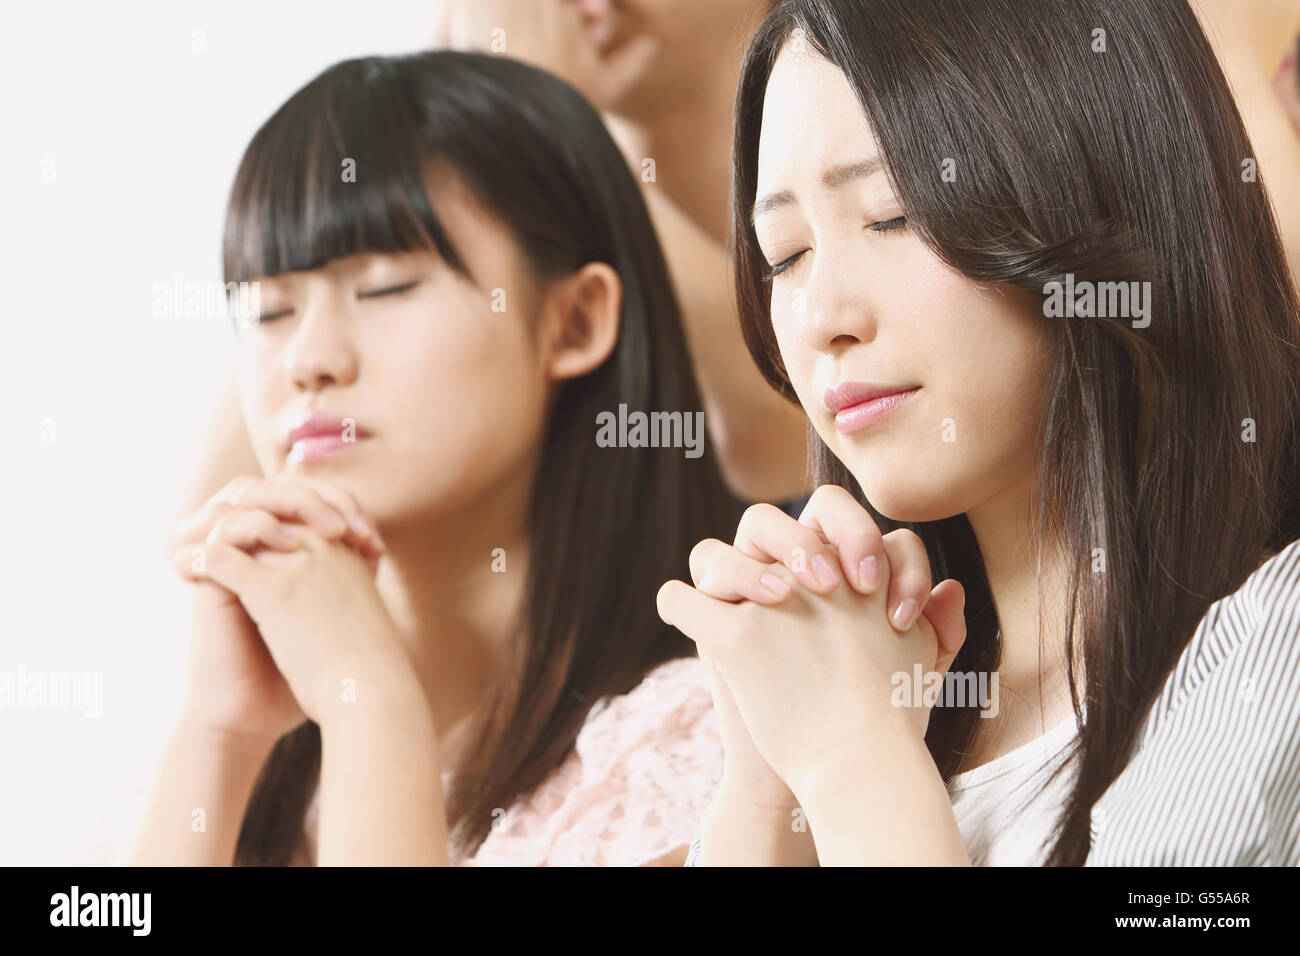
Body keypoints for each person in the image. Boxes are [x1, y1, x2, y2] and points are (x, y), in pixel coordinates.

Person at [660, 0, 1300, 866]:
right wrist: (770, 793)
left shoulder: (1271, 651)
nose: (821, 317)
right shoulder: (873, 706)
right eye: (783, 255)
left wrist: (853, 764)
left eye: (893, 215)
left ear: (1101, 184)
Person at [107, 50, 741, 866]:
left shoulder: (695, 749)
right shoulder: (222, 739)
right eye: (269, 310)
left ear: (576, 321)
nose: (310, 358)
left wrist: (370, 707)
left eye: (385, 289)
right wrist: (218, 739)